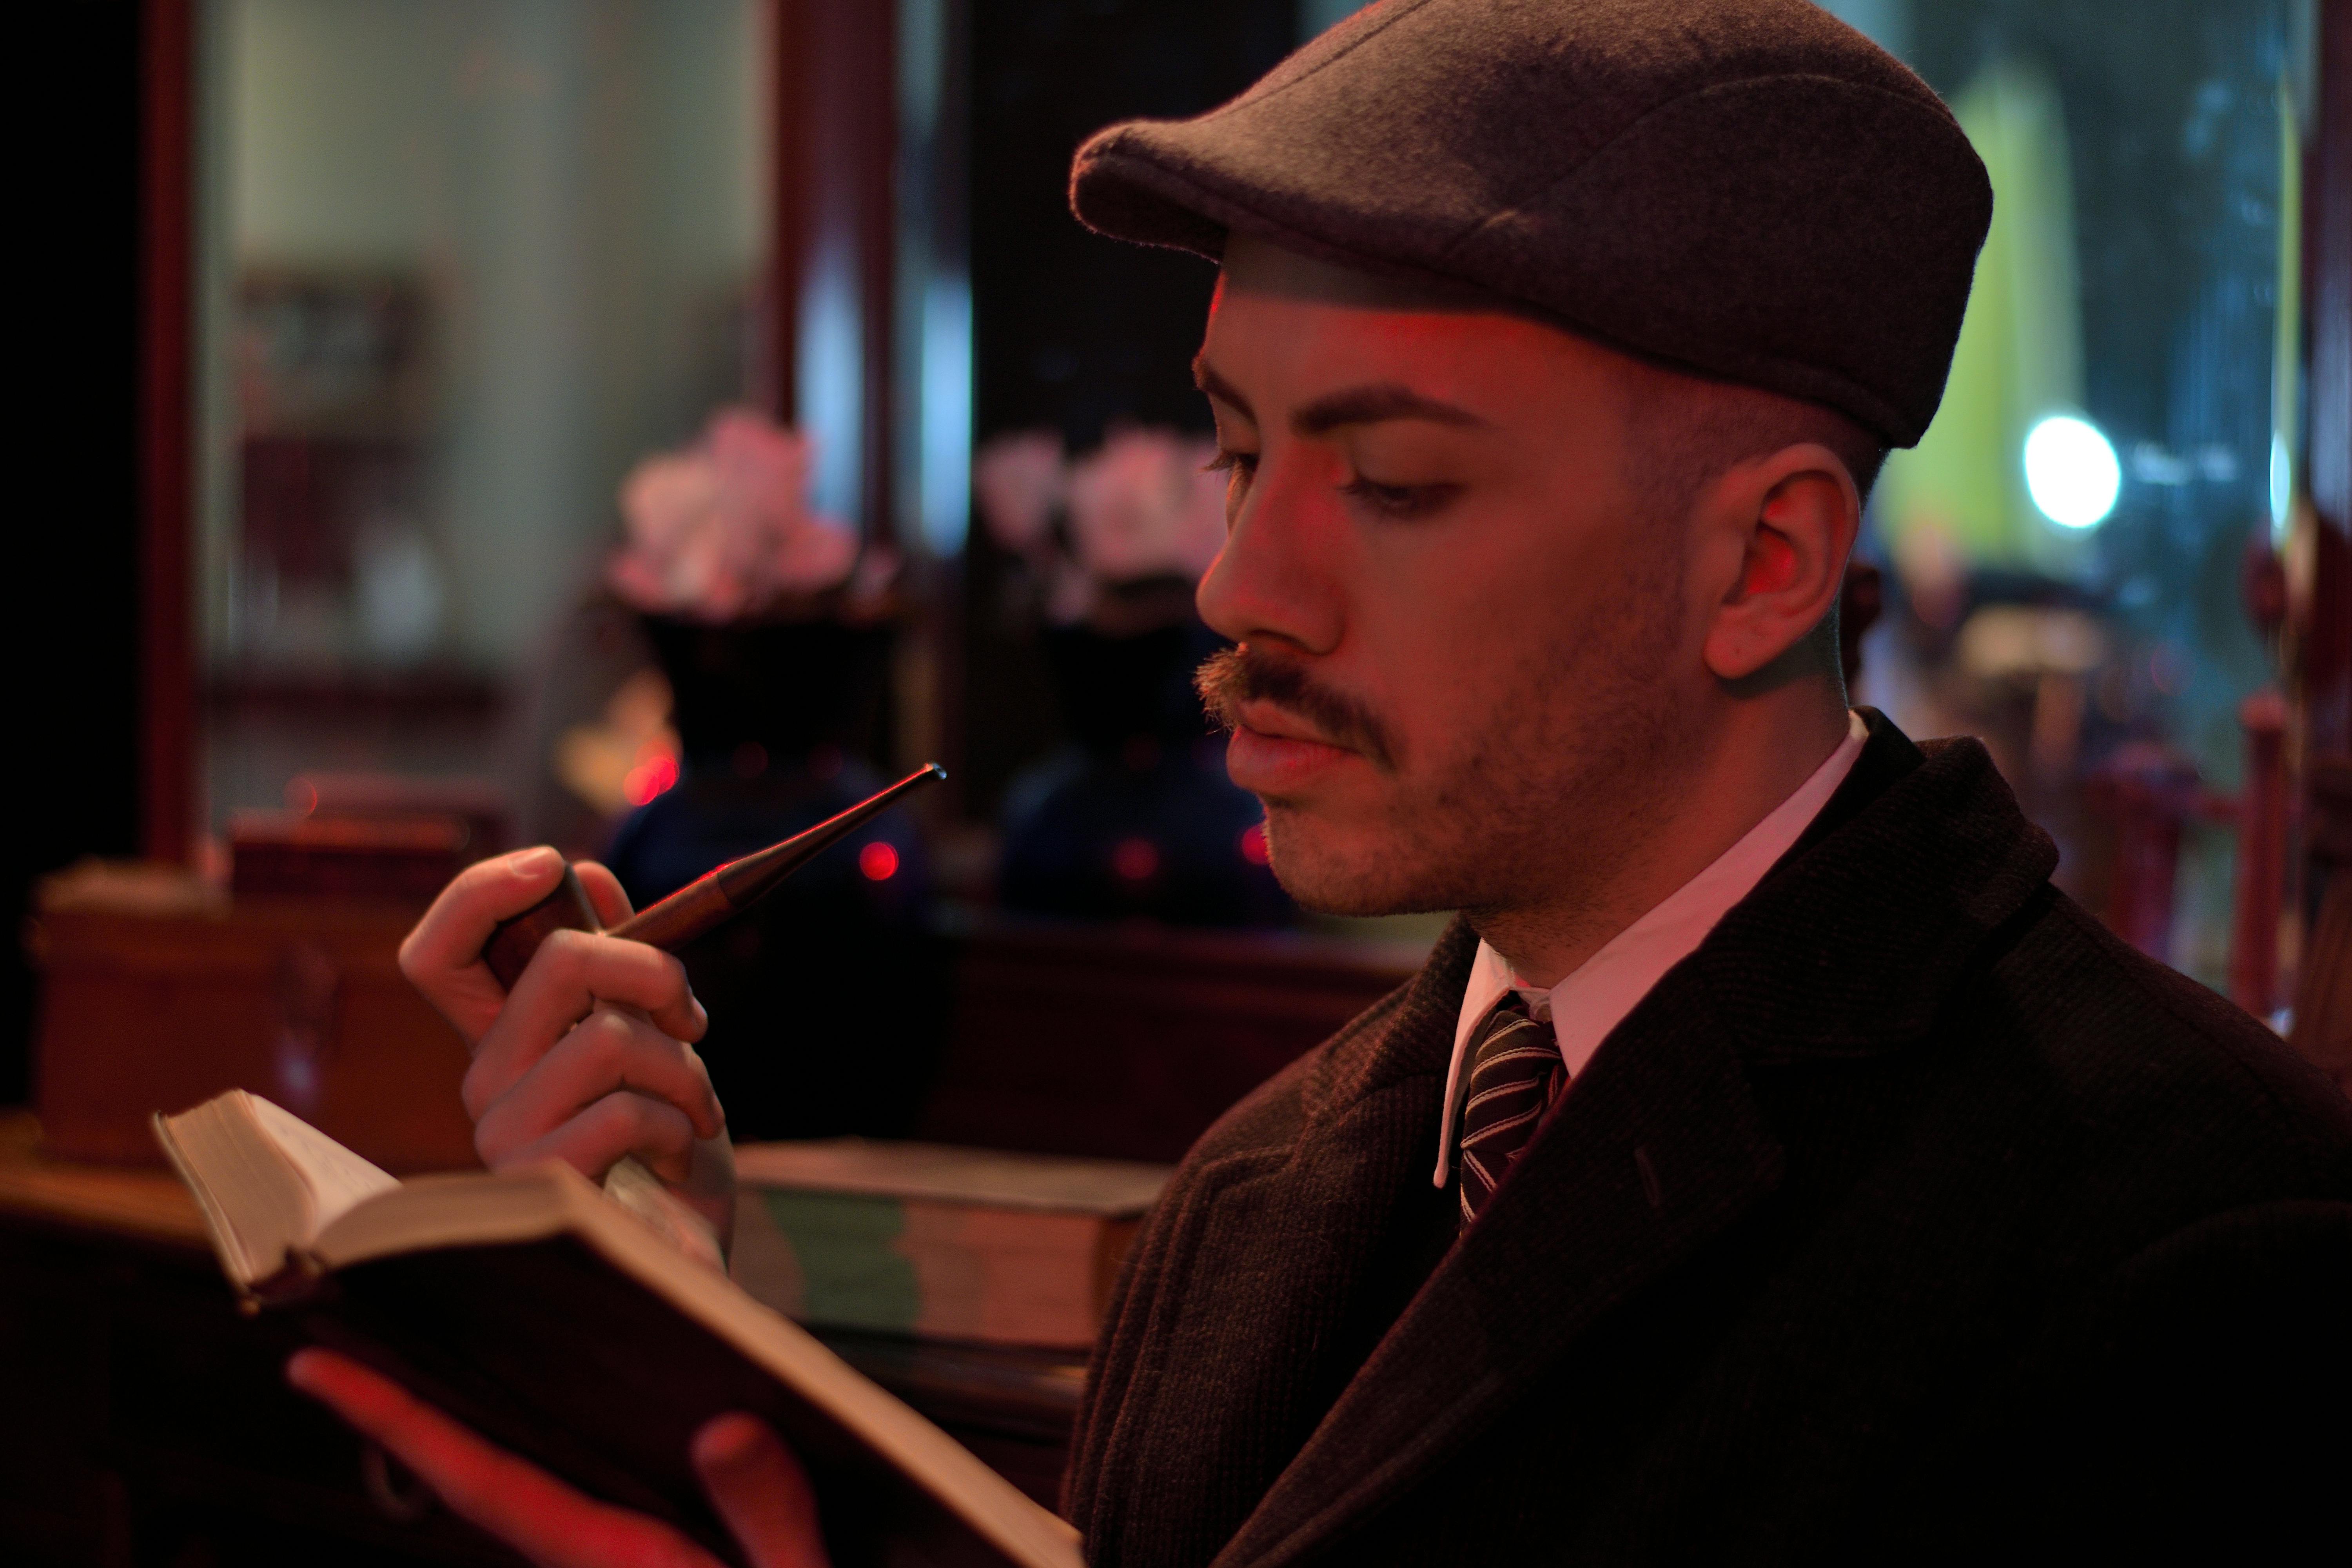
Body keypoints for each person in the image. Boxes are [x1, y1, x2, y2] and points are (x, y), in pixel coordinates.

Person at [291, 1, 2352, 1563]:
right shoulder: (1263, 1192)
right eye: (1237, 453)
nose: (1238, 582)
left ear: (1765, 561)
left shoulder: (2190, 1241)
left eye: (1392, 481)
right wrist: (671, 1356)